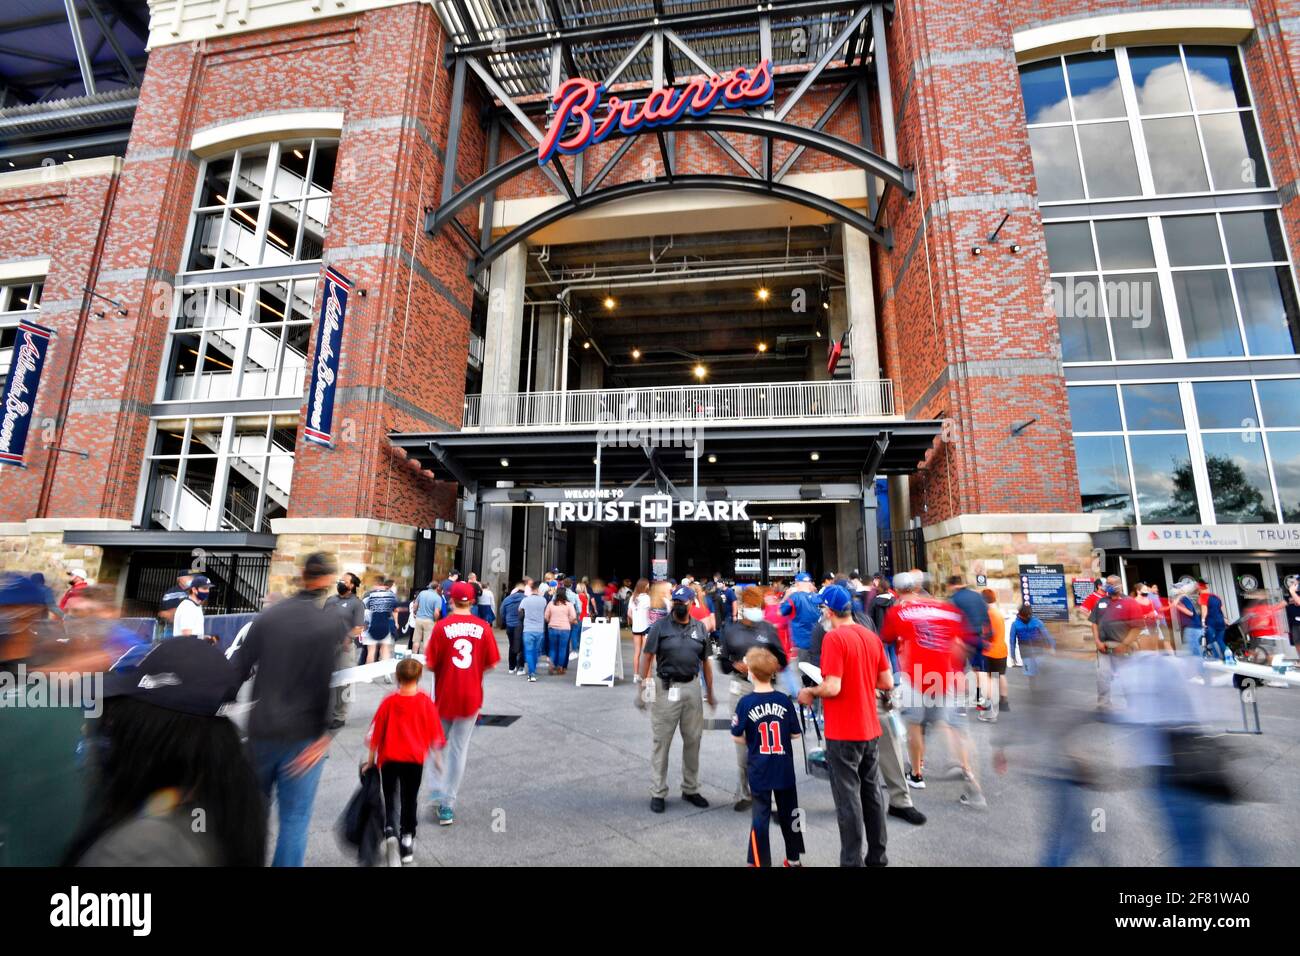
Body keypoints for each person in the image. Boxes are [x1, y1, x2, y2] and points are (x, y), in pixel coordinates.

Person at [64, 638, 265, 866]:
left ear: (151, 731)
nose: (105, 727)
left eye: (113, 719)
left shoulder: (137, 852)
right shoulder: (225, 799)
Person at [230, 552, 346, 866]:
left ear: (303, 576)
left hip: (263, 728)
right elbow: (325, 682)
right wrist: (323, 733)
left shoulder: (269, 617)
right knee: (295, 820)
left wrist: (213, 706)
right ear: (325, 581)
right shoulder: (329, 623)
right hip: (303, 737)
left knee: (253, 814)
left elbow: (238, 667)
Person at [808, 585, 925, 827]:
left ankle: (897, 801)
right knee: (863, 753)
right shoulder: (838, 627)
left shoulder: (836, 628)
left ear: (829, 610)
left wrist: (812, 690)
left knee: (875, 748)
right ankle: (865, 803)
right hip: (861, 694)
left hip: (868, 694)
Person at [798, 584, 893, 866]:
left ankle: (851, 861)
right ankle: (878, 855)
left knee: (847, 799)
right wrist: (861, 679)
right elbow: (886, 682)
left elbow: (832, 686)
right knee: (871, 793)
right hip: (869, 726)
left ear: (829, 611)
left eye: (822, 609)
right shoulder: (869, 636)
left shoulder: (834, 639)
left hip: (843, 730)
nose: (821, 615)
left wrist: (810, 692)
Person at [881, 572, 983, 805]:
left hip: (915, 675)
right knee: (952, 727)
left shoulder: (899, 611)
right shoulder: (948, 610)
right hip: (945, 675)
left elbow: (887, 637)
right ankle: (970, 777)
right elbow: (961, 644)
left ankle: (917, 773)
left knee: (914, 725)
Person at [425, 581, 500, 826]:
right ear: (473, 601)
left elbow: (430, 663)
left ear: (450, 599)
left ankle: (436, 787)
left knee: (435, 742)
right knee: (459, 749)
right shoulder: (483, 628)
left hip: (445, 694)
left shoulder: (441, 627)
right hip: (471, 696)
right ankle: (448, 804)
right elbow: (492, 663)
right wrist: (474, 674)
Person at [637, 584, 715, 812]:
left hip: (691, 687)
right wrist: (643, 688)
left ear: (692, 603)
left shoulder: (700, 628)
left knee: (693, 740)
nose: (680, 606)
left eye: (684, 602)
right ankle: (658, 791)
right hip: (665, 688)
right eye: (677, 602)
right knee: (662, 741)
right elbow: (647, 656)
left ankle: (690, 788)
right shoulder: (659, 627)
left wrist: (709, 692)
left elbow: (706, 662)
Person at [365, 657, 446, 866]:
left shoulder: (388, 702)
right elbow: (434, 732)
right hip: (414, 760)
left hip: (389, 760)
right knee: (410, 798)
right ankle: (407, 839)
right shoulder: (425, 701)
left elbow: (376, 735)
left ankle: (390, 831)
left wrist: (370, 761)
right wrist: (437, 758)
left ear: (397, 678)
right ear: (419, 677)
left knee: (390, 797)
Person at [732, 646, 804, 867]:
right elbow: (794, 734)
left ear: (751, 673)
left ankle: (758, 861)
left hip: (759, 768)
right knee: (791, 814)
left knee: (760, 815)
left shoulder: (745, 703)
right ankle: (794, 858)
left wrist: (752, 740)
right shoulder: (784, 701)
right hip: (783, 767)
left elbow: (737, 736)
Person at [719, 584, 788, 811]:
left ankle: (775, 800)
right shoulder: (730, 630)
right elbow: (723, 662)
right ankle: (746, 793)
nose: (754, 609)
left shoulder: (768, 629)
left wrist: (769, 665)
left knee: (770, 745)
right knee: (742, 746)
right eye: (750, 606)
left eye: (757, 606)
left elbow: (783, 659)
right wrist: (734, 665)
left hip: (766, 688)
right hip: (741, 688)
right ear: (742, 607)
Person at [1091, 575, 1142, 707]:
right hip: (1104, 646)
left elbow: (1137, 627)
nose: (1107, 585)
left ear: (1119, 585)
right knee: (1102, 676)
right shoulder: (1101, 602)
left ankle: (1133, 705)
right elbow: (1094, 623)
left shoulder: (1130, 602)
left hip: (1123, 647)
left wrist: (1125, 644)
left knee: (1127, 678)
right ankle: (1103, 704)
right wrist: (1097, 641)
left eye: (1111, 583)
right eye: (1107, 583)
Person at [325, 571, 365, 729]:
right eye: (340, 579)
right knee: (326, 680)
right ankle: (325, 712)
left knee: (343, 682)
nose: (340, 582)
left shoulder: (356, 603)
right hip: (327, 645)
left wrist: (348, 638)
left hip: (345, 647)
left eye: (344, 580)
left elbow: (359, 628)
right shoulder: (330, 600)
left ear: (352, 585)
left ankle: (339, 716)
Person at [779, 572, 824, 671]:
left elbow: (780, 612)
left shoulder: (794, 597)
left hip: (800, 643)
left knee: (803, 673)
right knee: (817, 671)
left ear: (797, 583)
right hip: (818, 642)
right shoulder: (818, 598)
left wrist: (786, 596)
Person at [976, 588, 1008, 719]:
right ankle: (1004, 701)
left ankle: (990, 707)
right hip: (1001, 649)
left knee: (987, 679)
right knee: (1001, 676)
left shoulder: (988, 614)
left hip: (990, 651)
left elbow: (988, 634)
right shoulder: (998, 613)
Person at [362, 576, 399, 669]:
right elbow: (395, 610)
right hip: (385, 626)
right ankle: (386, 672)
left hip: (372, 626)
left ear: (376, 584)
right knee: (385, 650)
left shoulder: (369, 596)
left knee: (371, 651)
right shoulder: (391, 596)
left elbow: (365, 610)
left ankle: (368, 675)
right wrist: (396, 623)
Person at [1009, 604, 1054, 677]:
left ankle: (1043, 686)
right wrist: (1013, 656)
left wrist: (1051, 646)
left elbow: (1046, 635)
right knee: (1029, 673)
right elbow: (1012, 641)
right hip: (1025, 653)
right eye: (1025, 616)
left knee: (1041, 671)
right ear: (1020, 615)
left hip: (1038, 651)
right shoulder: (1015, 625)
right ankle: (1033, 687)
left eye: (1028, 616)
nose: (1027, 618)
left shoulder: (1037, 622)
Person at [545, 586, 578, 676]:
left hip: (552, 628)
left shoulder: (551, 604)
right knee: (562, 649)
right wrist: (569, 622)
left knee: (553, 648)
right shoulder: (569, 604)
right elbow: (573, 617)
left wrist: (550, 621)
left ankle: (552, 665)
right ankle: (560, 667)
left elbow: (546, 617)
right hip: (565, 629)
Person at [519, 583, 547, 682]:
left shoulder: (525, 600)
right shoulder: (543, 600)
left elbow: (520, 611)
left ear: (531, 590)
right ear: (538, 590)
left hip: (528, 629)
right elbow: (545, 612)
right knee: (535, 651)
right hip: (539, 630)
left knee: (529, 651)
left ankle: (532, 673)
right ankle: (533, 670)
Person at [500, 579, 529, 674]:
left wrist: (506, 621)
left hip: (510, 625)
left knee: (512, 645)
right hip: (521, 625)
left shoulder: (507, 599)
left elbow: (502, 612)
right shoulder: (526, 598)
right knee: (522, 646)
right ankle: (520, 667)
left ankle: (511, 668)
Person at [173, 574, 211, 640]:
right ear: (194, 590)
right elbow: (187, 634)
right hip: (185, 648)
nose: (207, 591)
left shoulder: (196, 606)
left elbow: (194, 634)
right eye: (204, 588)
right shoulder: (188, 607)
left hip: (191, 646)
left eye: (208, 588)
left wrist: (204, 638)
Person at [628, 578, 651, 684]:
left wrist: (635, 620)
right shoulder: (647, 598)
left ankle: (635, 675)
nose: (649, 586)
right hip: (646, 627)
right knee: (646, 653)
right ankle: (647, 677)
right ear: (644, 586)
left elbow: (629, 613)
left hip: (636, 628)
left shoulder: (633, 597)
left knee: (636, 652)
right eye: (647, 585)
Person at [1172, 581, 1203, 657]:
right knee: (1194, 651)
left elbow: (1190, 613)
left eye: (1175, 588)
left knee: (1195, 652)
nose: (1173, 591)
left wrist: (1177, 606)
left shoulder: (1184, 599)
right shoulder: (1181, 599)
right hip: (1191, 627)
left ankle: (1199, 667)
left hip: (1192, 628)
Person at [411, 580, 441, 657]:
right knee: (427, 641)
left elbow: (415, 605)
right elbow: (436, 612)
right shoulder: (437, 598)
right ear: (437, 588)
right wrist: (436, 620)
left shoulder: (422, 593)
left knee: (416, 640)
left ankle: (414, 656)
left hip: (419, 619)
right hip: (429, 620)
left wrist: (415, 612)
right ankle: (425, 658)